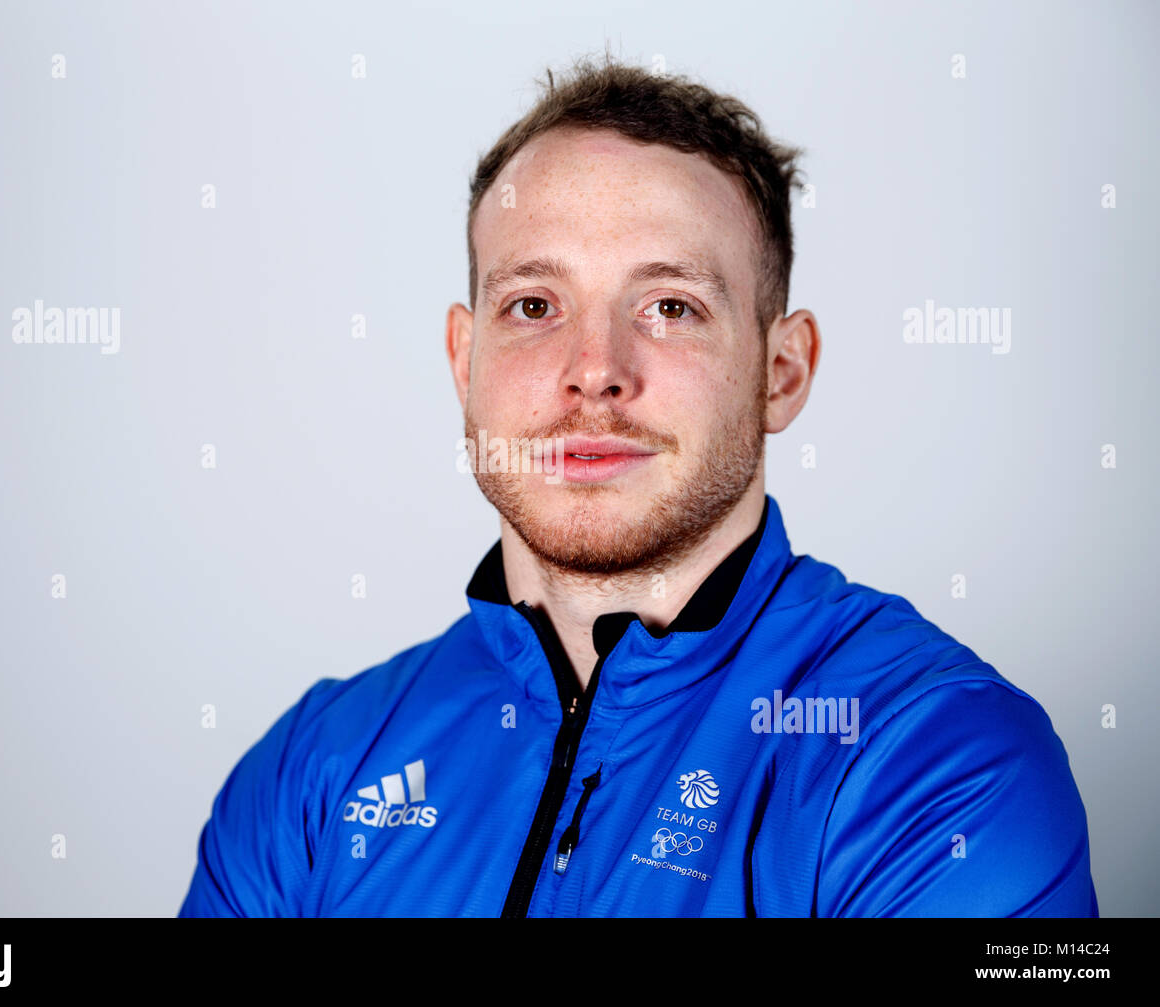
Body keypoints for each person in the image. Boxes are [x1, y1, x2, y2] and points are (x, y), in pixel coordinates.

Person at [179, 54, 1097, 918]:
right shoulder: (314, 769)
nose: (595, 370)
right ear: (466, 359)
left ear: (781, 371)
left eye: (669, 307)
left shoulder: (938, 758)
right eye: (534, 305)